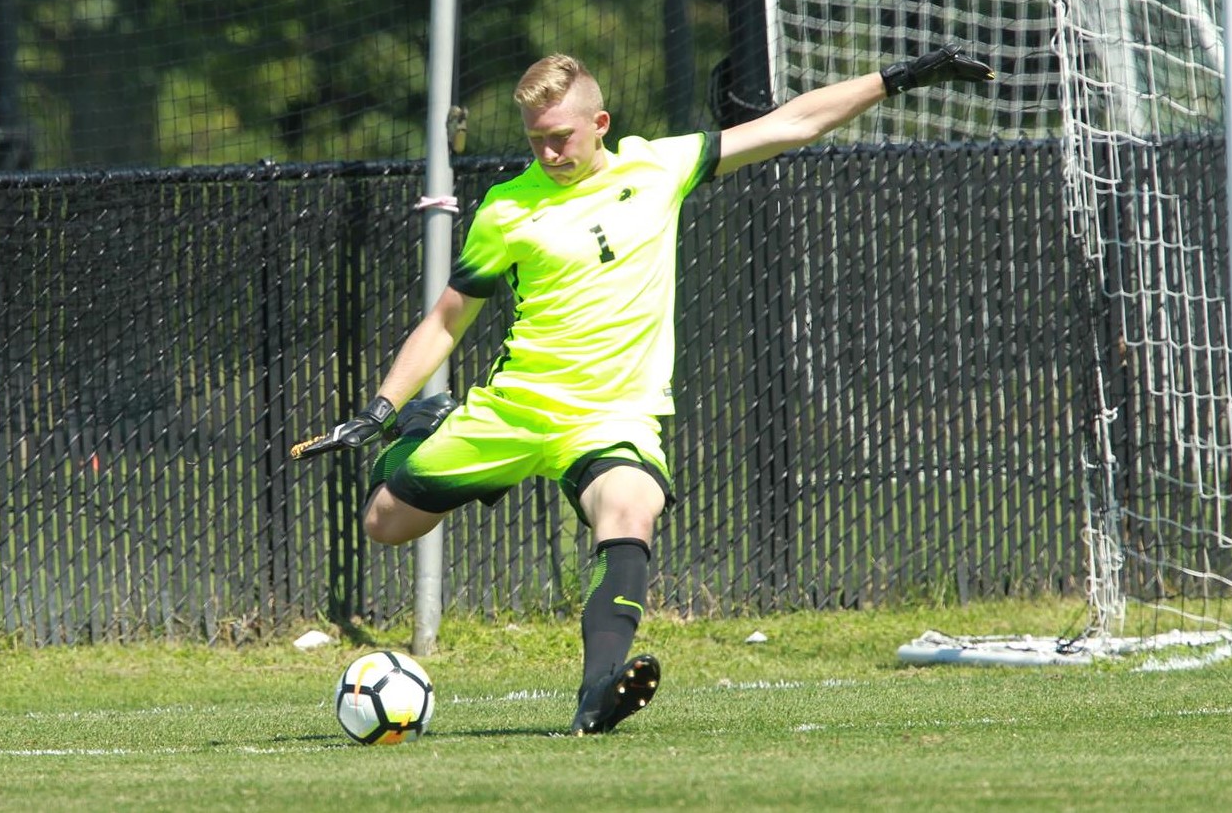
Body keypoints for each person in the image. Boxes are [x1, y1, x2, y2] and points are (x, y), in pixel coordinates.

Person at [298, 45, 994, 734]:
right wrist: (383, 409)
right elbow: (447, 319)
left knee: (630, 512)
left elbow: (795, 123)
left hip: (610, 416)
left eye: (560, 137)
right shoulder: (507, 209)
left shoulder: (657, 166)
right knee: (384, 525)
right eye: (535, 140)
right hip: (517, 407)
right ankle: (427, 425)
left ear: (599, 124)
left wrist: (897, 77)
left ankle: (597, 693)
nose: (547, 153)